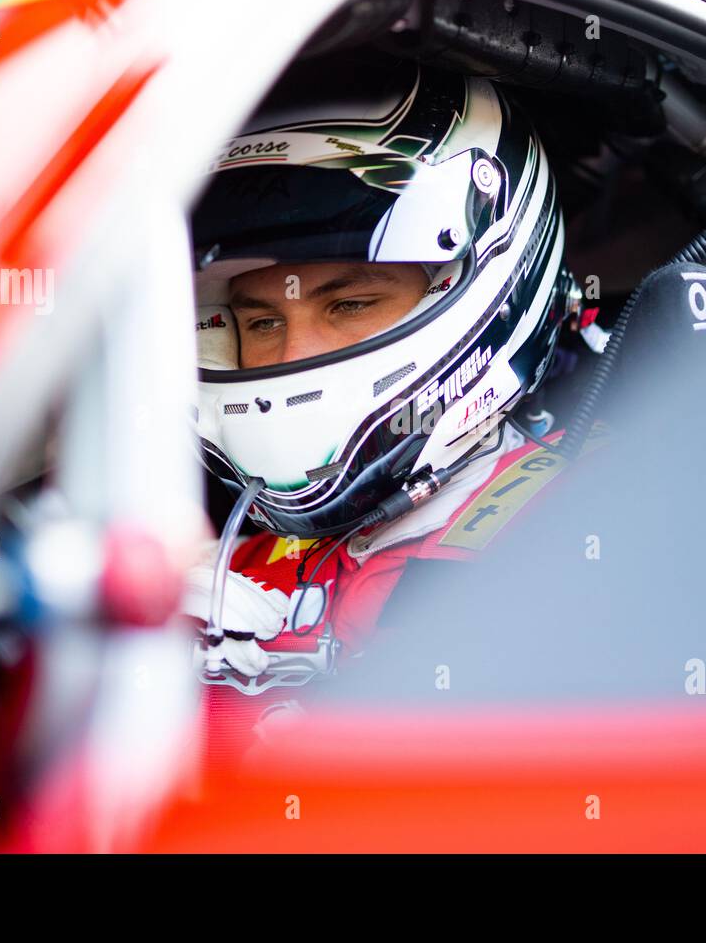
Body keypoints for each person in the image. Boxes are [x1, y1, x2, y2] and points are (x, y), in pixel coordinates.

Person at [178, 53, 582, 759]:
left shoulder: (593, 531)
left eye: (351, 304)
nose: (293, 358)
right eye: (262, 322)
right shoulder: (223, 572)